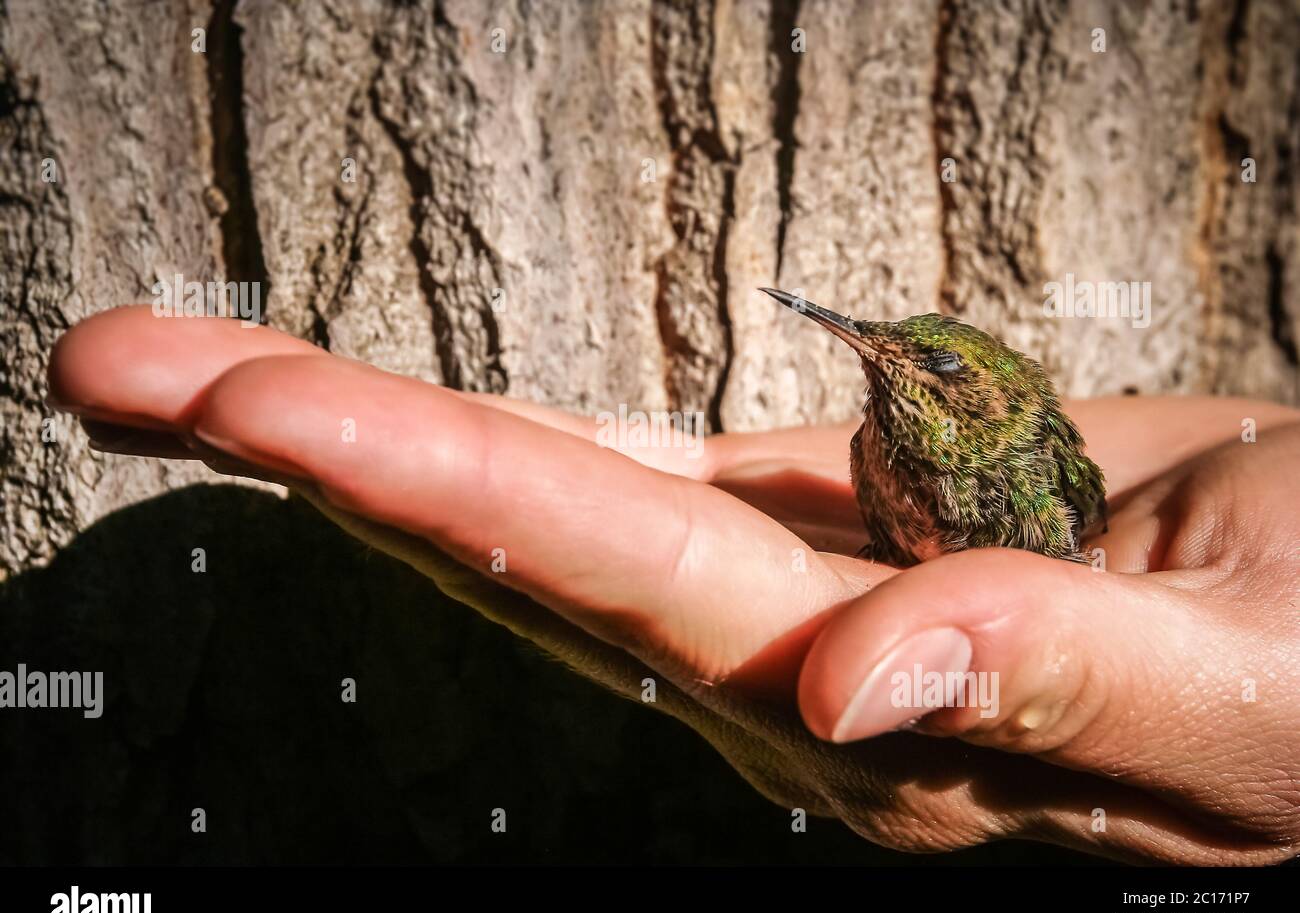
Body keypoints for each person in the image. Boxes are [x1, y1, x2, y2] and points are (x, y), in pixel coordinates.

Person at [46, 306, 1300, 864]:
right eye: (883, 353)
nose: (880, 368)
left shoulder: (1027, 464)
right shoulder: (876, 448)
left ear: (976, 403)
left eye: (915, 363)